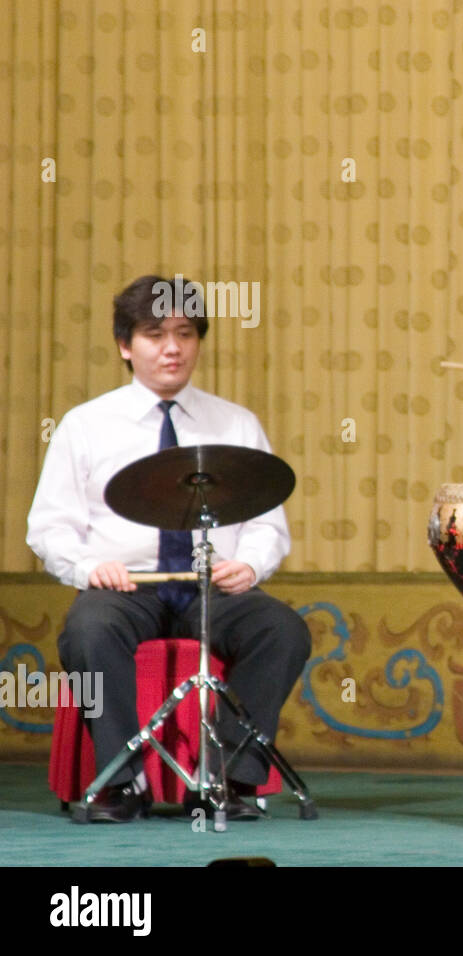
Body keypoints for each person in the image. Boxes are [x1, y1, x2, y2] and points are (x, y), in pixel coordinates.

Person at [27, 275, 311, 823]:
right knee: (89, 630)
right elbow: (49, 527)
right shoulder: (85, 426)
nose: (173, 348)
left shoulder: (236, 423)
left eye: (185, 333)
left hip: (209, 587)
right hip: (127, 585)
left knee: (282, 629)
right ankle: (119, 779)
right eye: (155, 334)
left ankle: (231, 777)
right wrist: (89, 567)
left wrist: (250, 564)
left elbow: (265, 524)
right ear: (125, 345)